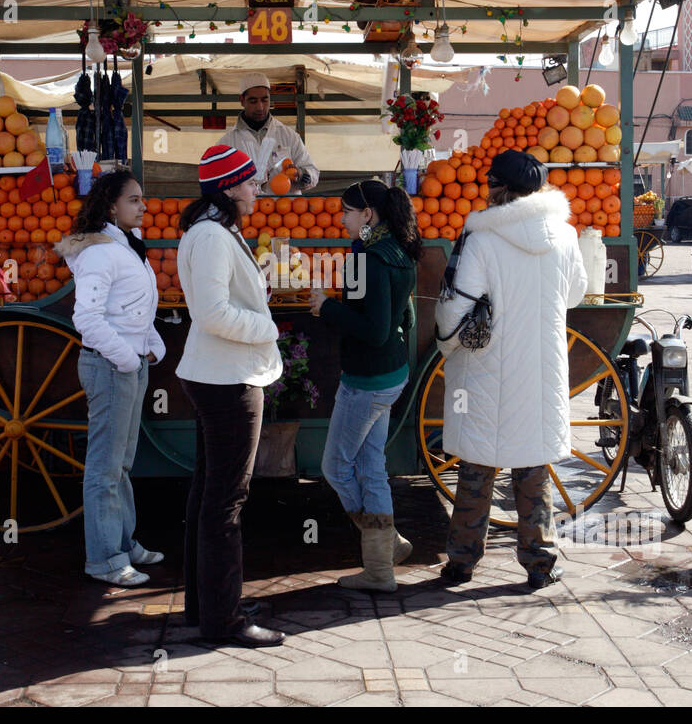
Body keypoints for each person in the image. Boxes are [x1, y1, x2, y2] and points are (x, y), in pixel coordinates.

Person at [433, 150, 587, 589]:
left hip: (486, 369)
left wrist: (446, 342)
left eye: (489, 183)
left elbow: (456, 307)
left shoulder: (482, 238)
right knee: (532, 467)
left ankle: (461, 562)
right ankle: (541, 563)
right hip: (542, 370)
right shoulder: (565, 235)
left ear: (500, 187)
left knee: (478, 468)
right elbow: (575, 293)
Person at [176, 144, 286, 648]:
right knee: (227, 501)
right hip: (228, 380)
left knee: (209, 493)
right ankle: (224, 620)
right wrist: (268, 327)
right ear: (227, 188)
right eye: (249, 181)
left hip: (216, 374)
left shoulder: (213, 233)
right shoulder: (213, 237)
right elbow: (214, 314)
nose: (257, 187)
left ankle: (206, 605)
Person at [309, 179, 421, 593]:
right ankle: (381, 562)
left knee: (336, 467)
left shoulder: (368, 259)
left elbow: (373, 331)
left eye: (347, 211)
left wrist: (327, 307)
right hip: (391, 374)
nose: (342, 219)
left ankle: (383, 548)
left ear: (368, 215)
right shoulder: (399, 250)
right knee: (370, 465)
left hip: (367, 379)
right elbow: (403, 319)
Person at [56, 169, 166, 587]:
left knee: (120, 463)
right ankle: (104, 559)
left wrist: (151, 346)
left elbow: (132, 308)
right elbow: (86, 317)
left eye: (142, 198)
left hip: (127, 364)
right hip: (110, 367)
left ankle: (123, 542)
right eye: (134, 199)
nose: (143, 206)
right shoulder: (102, 252)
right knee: (104, 466)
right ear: (111, 205)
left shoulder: (123, 246)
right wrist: (125, 357)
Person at [216, 72, 319, 194]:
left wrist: (301, 175)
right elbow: (218, 183)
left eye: (265, 100)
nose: (260, 107)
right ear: (242, 100)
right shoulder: (227, 143)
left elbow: (312, 172)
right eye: (253, 101)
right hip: (246, 211)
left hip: (286, 210)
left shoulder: (289, 136)